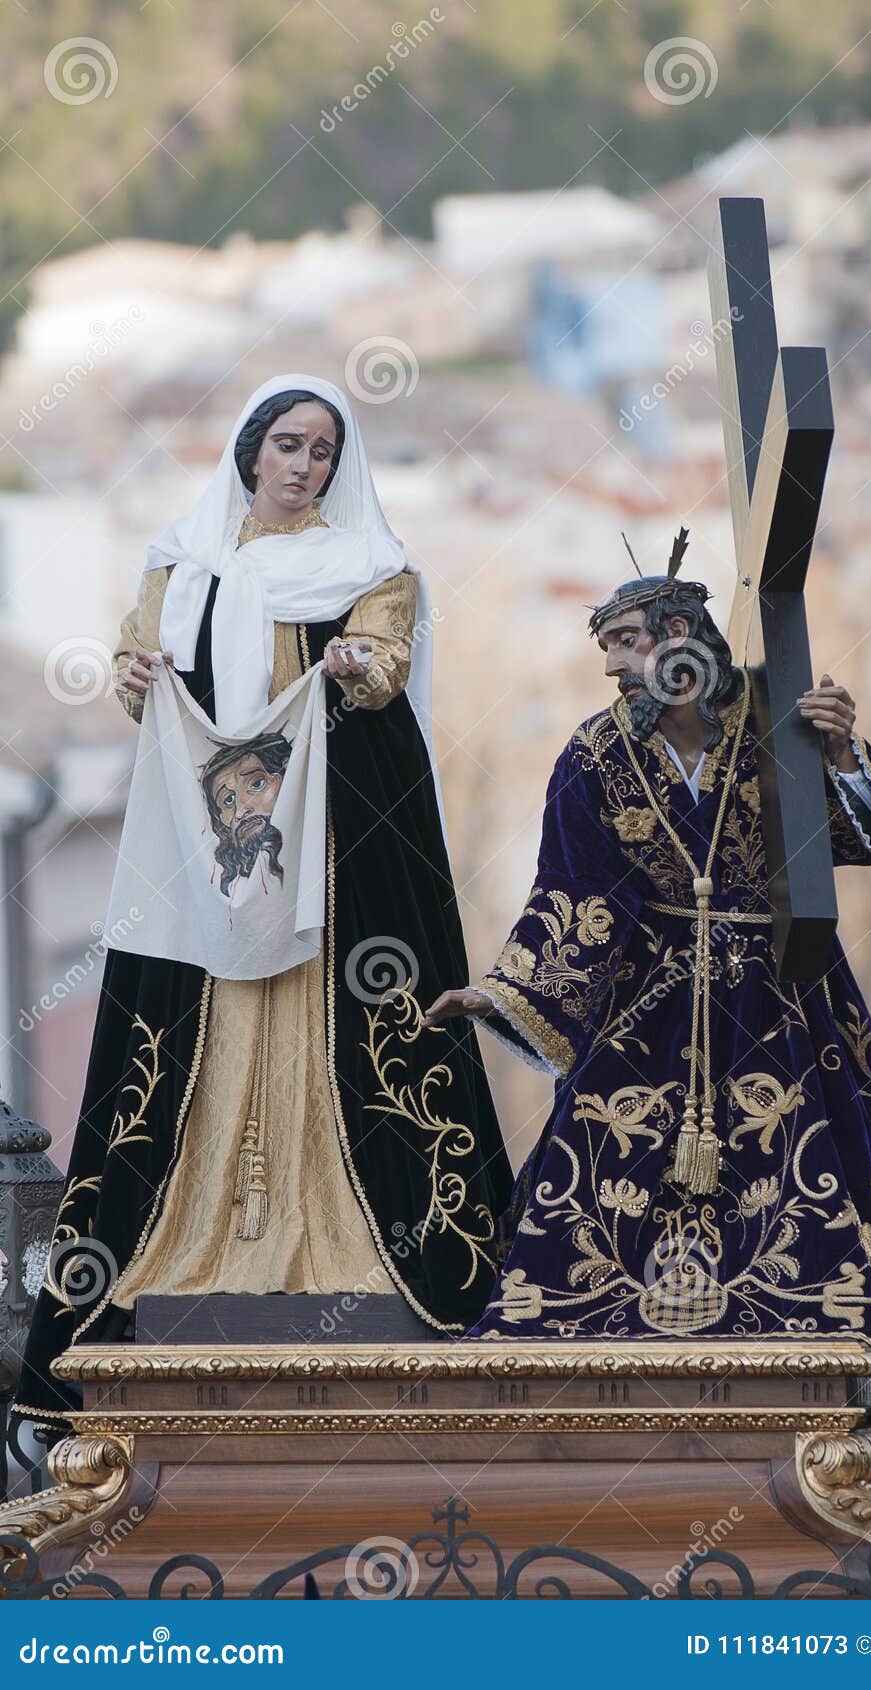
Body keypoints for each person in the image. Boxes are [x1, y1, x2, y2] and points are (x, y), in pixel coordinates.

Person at [427, 544, 871, 1526]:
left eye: (621, 642)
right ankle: (588, 1457)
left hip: (785, 1004)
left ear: (680, 639)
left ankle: (848, 1443)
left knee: (824, 1198)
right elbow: (572, 898)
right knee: (589, 1206)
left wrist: (838, 751)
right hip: (645, 1019)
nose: (610, 666)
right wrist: (502, 996)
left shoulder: (778, 725)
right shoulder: (593, 755)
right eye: (605, 647)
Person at [15, 373, 511, 1435]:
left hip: (329, 852)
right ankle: (182, 1246)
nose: (303, 464)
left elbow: (384, 669)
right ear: (249, 447)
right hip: (206, 852)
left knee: (335, 1025)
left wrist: (355, 665)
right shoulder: (179, 558)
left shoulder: (372, 565)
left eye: (322, 451)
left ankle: (344, 1246)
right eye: (287, 443)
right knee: (189, 1031)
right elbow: (135, 669)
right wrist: (136, 673)